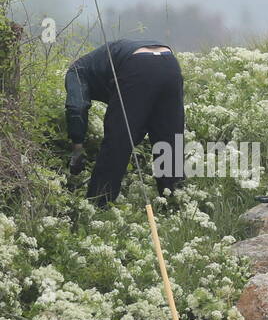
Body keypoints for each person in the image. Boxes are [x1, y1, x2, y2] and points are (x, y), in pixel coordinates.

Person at [64, 38, 185, 205]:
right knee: (169, 140)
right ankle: (174, 202)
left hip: (137, 65)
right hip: (169, 63)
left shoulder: (75, 71)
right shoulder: (102, 60)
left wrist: (77, 147)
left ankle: (98, 205)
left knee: (116, 143)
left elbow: (76, 107)